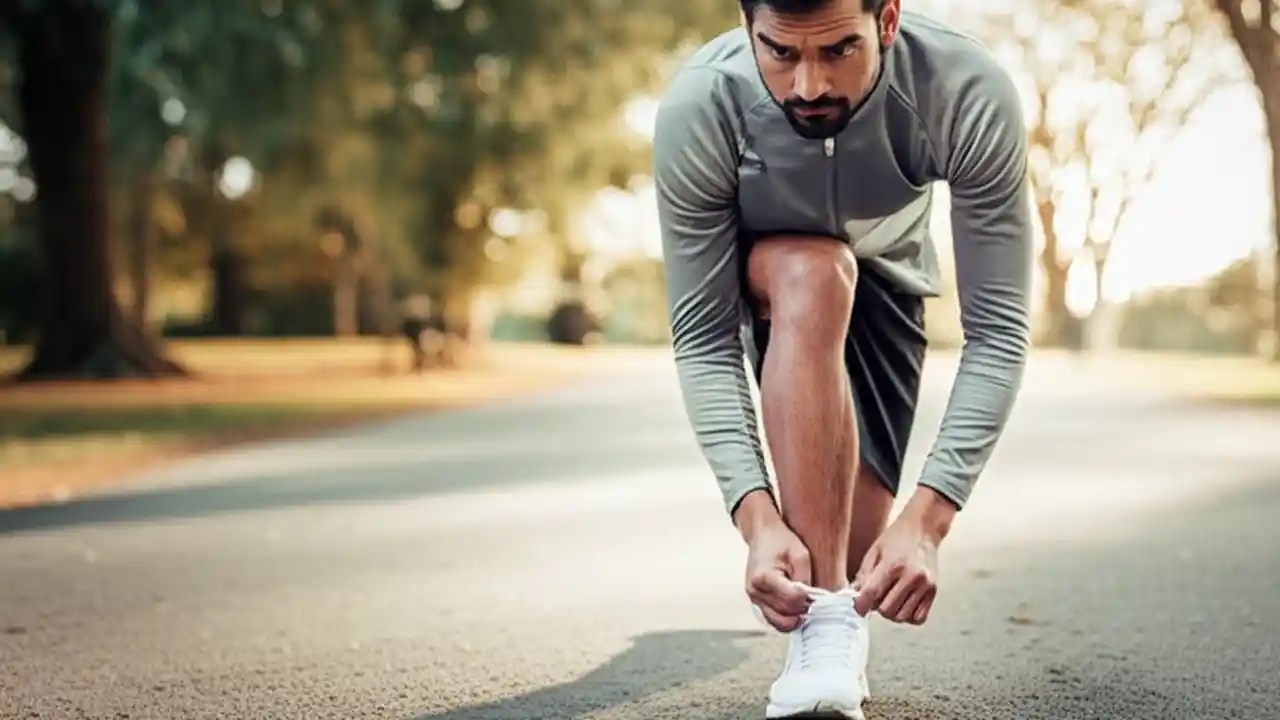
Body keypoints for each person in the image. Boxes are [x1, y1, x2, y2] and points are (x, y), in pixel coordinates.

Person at [652, 0, 1032, 717]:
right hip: (774, 279)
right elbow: (702, 341)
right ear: (746, 28)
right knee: (813, 271)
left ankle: (832, 604)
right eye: (780, 53)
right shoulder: (702, 103)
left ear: (887, 21)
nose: (808, 87)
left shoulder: (963, 87)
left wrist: (926, 522)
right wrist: (757, 520)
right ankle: (823, 648)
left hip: (889, 279)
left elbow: (999, 330)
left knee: (857, 569)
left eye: (837, 51)